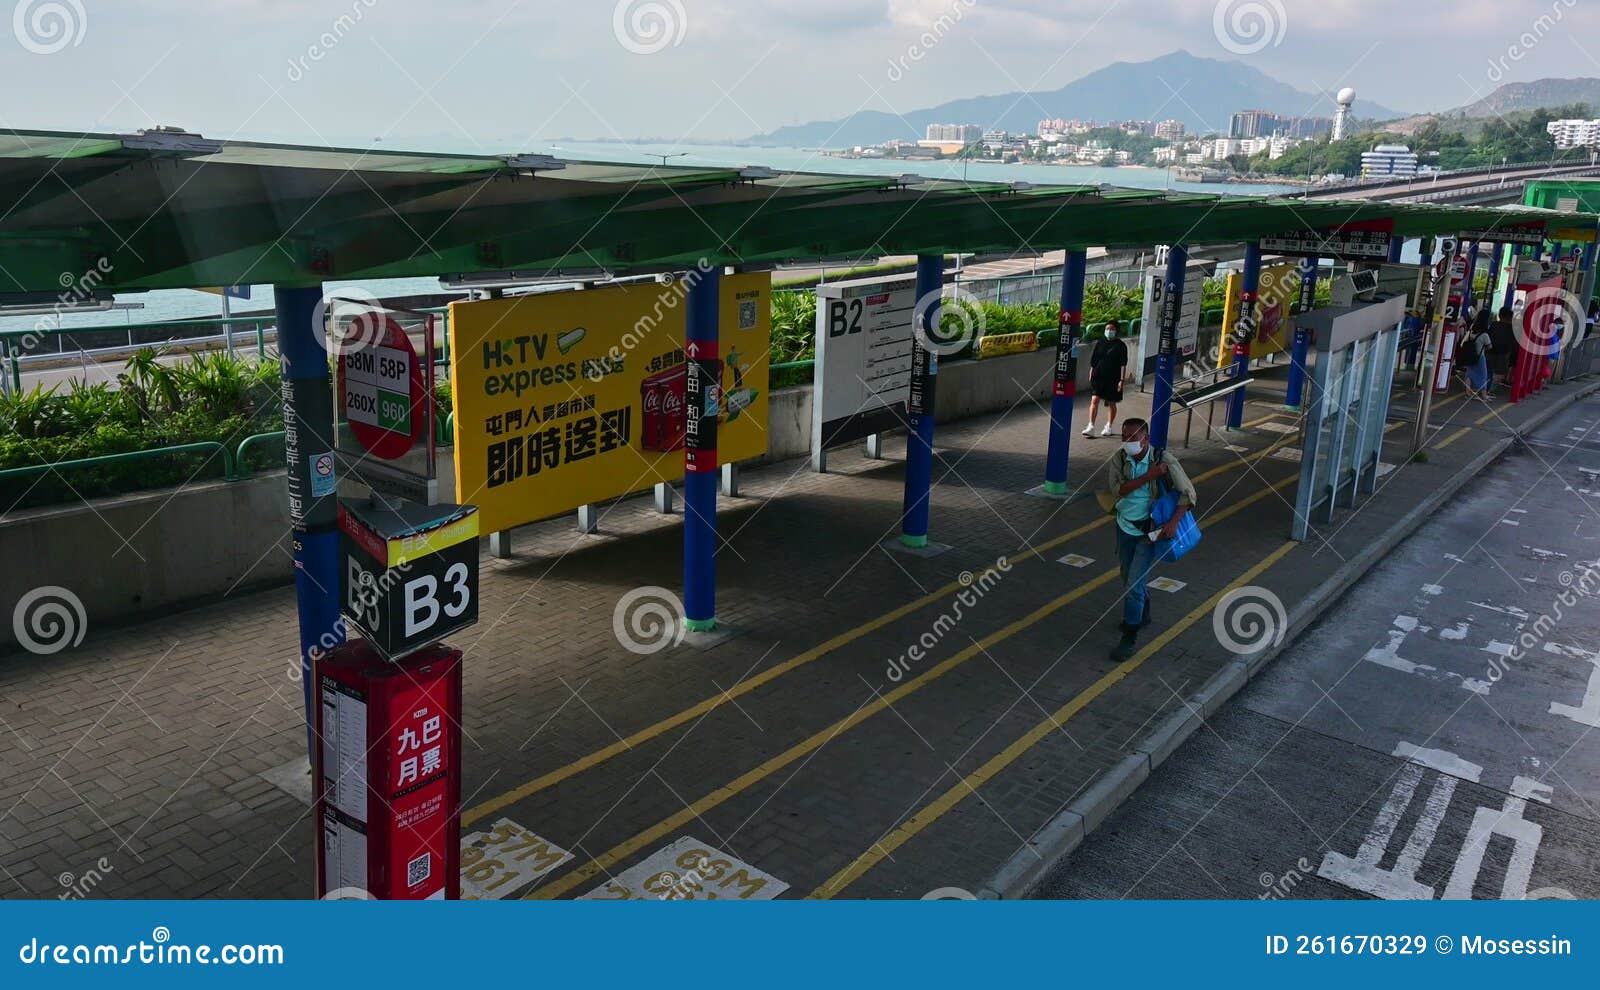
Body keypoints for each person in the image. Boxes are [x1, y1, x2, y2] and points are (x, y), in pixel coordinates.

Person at [1105, 418, 1197, 662]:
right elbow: (1118, 490)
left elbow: (1188, 493)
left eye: (1132, 438)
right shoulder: (1120, 459)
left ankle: (1130, 635)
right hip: (1125, 527)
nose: (1127, 442)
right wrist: (1150, 476)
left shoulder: (1164, 459)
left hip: (1149, 533)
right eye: (1124, 437)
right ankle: (1142, 610)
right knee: (1126, 577)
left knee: (1133, 586)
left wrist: (1174, 522)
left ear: (1145, 438)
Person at [1082, 319, 1129, 437]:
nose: (1109, 331)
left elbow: (1123, 364)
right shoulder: (1100, 342)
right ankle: (1091, 426)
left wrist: (1121, 380)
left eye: (1112, 329)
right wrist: (1091, 371)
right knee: (1095, 400)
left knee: (1111, 403)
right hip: (1099, 376)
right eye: (1107, 329)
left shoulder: (1121, 346)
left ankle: (1109, 426)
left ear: (1116, 331)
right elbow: (1095, 359)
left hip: (1113, 378)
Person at [1460, 310, 1492, 397]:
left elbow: (1464, 341)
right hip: (1480, 357)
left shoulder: (1471, 331)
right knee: (1483, 375)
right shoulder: (1485, 335)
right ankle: (1484, 395)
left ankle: (1468, 392)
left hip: (1470, 356)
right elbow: (1489, 347)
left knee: (1470, 374)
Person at [1489, 305, 1516, 387]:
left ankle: (1486, 388)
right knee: (1500, 372)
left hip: (1491, 350)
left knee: (1490, 369)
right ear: (1509, 317)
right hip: (1504, 352)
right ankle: (1490, 389)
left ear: (1500, 315)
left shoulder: (1493, 324)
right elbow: (1513, 341)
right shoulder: (1511, 328)